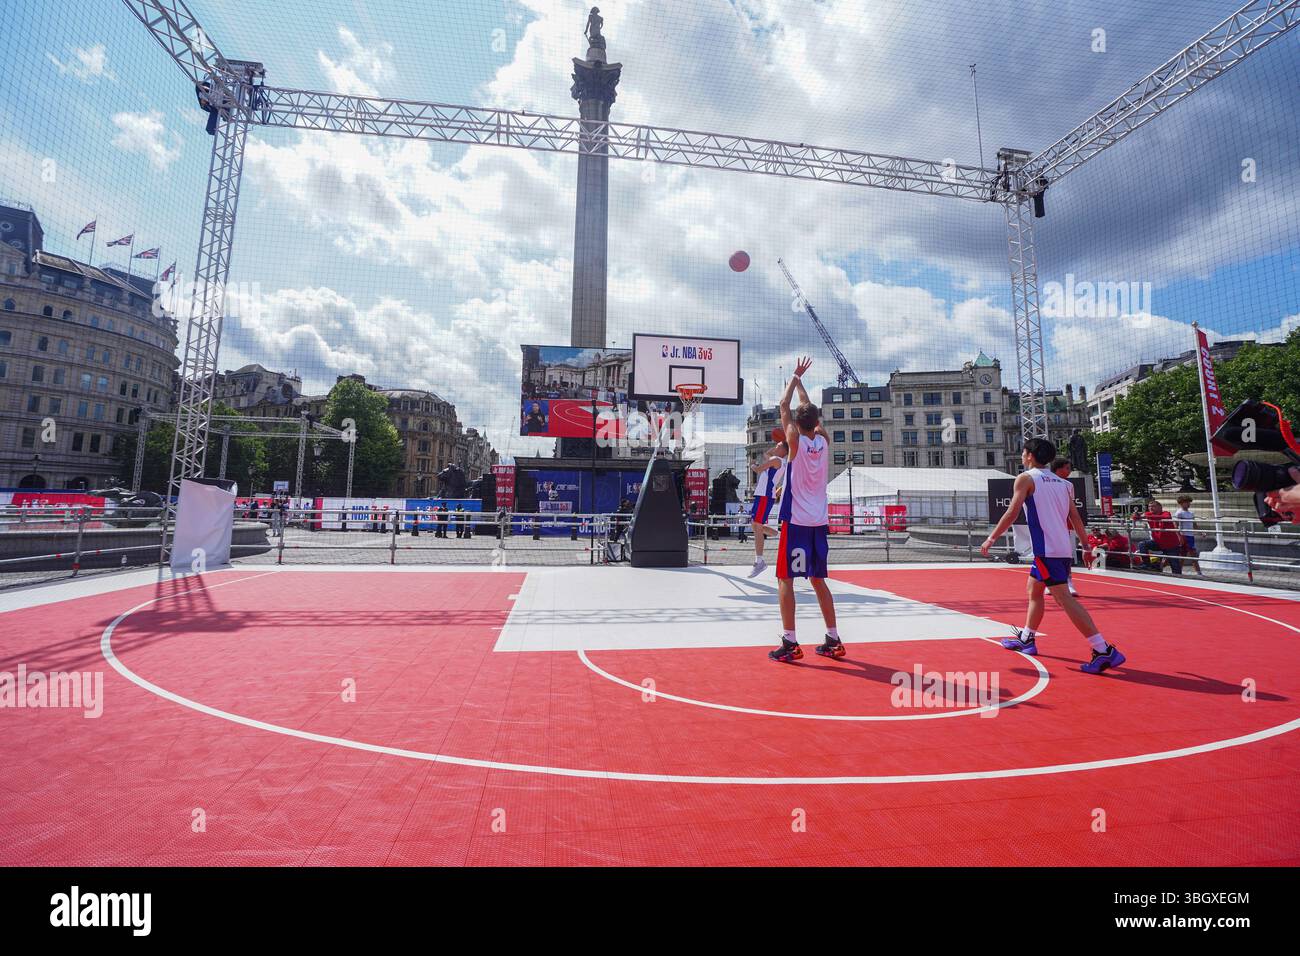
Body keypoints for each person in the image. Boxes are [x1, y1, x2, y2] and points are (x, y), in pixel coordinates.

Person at [981, 437, 1125, 675]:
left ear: (1029, 455)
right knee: (1034, 590)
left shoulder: (1026, 478)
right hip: (1060, 548)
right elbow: (1075, 517)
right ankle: (1027, 638)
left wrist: (991, 538)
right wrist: (1086, 543)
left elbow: (1012, 511)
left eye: (1023, 452)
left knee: (1064, 598)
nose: (1021, 456)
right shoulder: (1063, 484)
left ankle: (1102, 649)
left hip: (1047, 550)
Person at [768, 358, 844, 663]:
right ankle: (834, 639)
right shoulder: (823, 440)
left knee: (785, 579)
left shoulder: (795, 441)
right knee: (817, 579)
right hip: (818, 522)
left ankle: (790, 642)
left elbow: (784, 404)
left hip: (796, 520)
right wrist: (800, 383)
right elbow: (803, 406)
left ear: (798, 425)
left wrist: (795, 376)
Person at [747, 427, 788, 578]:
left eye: (777, 445)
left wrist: (752, 464)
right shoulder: (777, 460)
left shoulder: (777, 460)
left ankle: (759, 561)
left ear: (783, 450)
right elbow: (768, 454)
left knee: (757, 526)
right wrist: (780, 442)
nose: (775, 446)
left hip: (765, 495)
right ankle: (779, 533)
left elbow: (757, 470)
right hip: (763, 495)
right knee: (755, 524)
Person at [1049, 456, 1081, 595]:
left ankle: (1068, 581)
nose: (1069, 471)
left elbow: (1070, 507)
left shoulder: (1068, 485)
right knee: (1048, 554)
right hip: (1048, 522)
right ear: (1058, 468)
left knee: (1066, 553)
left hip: (1062, 522)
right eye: (1067, 468)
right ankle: (1049, 583)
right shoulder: (1044, 482)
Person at [1136, 498, 1183, 574]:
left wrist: (1146, 516)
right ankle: (1147, 564)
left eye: (1153, 506)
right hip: (1158, 542)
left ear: (1160, 507)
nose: (1151, 508)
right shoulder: (1149, 514)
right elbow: (1136, 517)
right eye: (1149, 507)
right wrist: (1137, 515)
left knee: (1175, 565)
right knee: (1142, 544)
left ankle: (1179, 579)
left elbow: (1166, 517)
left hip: (1171, 545)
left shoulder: (1166, 513)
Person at [1173, 495, 1202, 576]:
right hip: (1184, 535)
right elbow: (1176, 525)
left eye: (1189, 502)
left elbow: (1194, 524)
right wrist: (1179, 536)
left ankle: (1179, 571)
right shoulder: (1179, 513)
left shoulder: (1191, 513)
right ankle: (1197, 572)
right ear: (1181, 503)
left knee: (1187, 554)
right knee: (1188, 554)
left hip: (1190, 535)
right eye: (1186, 502)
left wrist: (1201, 532)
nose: (1188, 504)